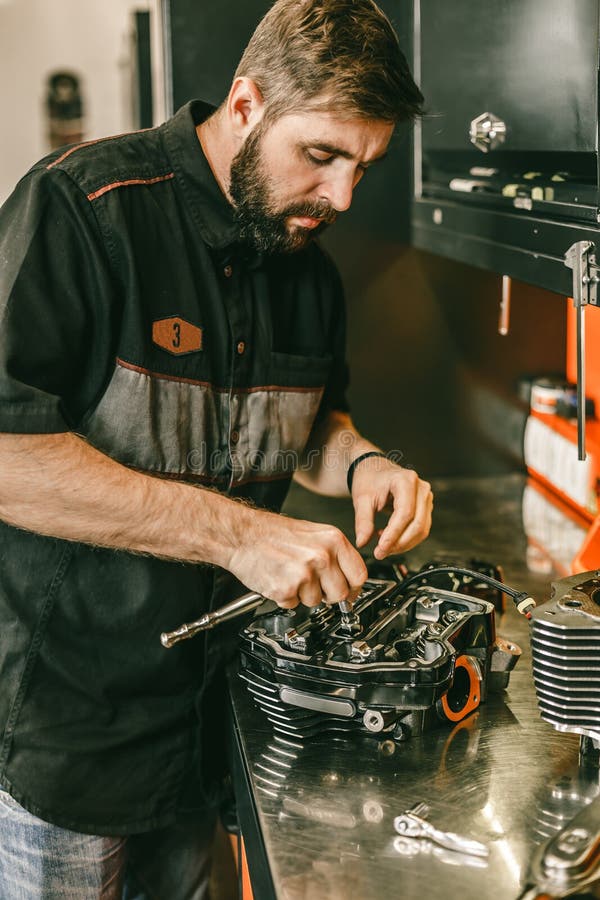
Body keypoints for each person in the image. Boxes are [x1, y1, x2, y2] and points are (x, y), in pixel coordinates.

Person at [0, 0, 431, 896]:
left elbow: (309, 424)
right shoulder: (84, 209)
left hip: (213, 728)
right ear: (245, 103)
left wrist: (363, 464)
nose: (342, 197)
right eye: (321, 155)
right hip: (71, 734)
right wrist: (239, 537)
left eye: (365, 166)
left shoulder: (305, 263)